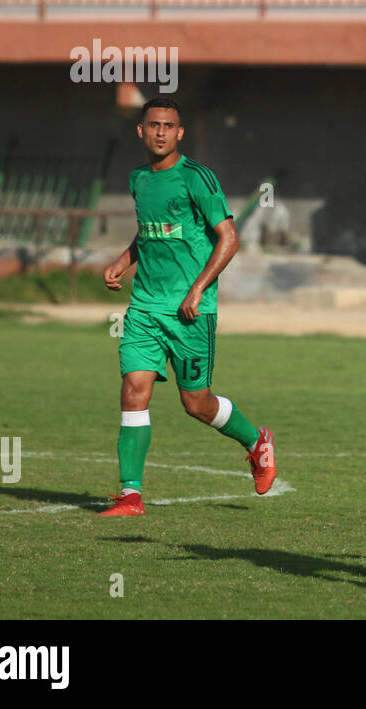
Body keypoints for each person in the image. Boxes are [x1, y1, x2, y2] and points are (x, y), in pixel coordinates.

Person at [99, 97, 275, 516]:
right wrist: (124, 261)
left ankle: (256, 442)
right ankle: (130, 495)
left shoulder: (197, 178)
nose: (161, 132)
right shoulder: (138, 179)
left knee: (196, 403)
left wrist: (197, 289)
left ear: (180, 133)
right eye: (153, 125)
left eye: (169, 126)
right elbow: (150, 233)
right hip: (144, 306)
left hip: (190, 311)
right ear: (140, 131)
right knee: (133, 390)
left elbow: (229, 238)